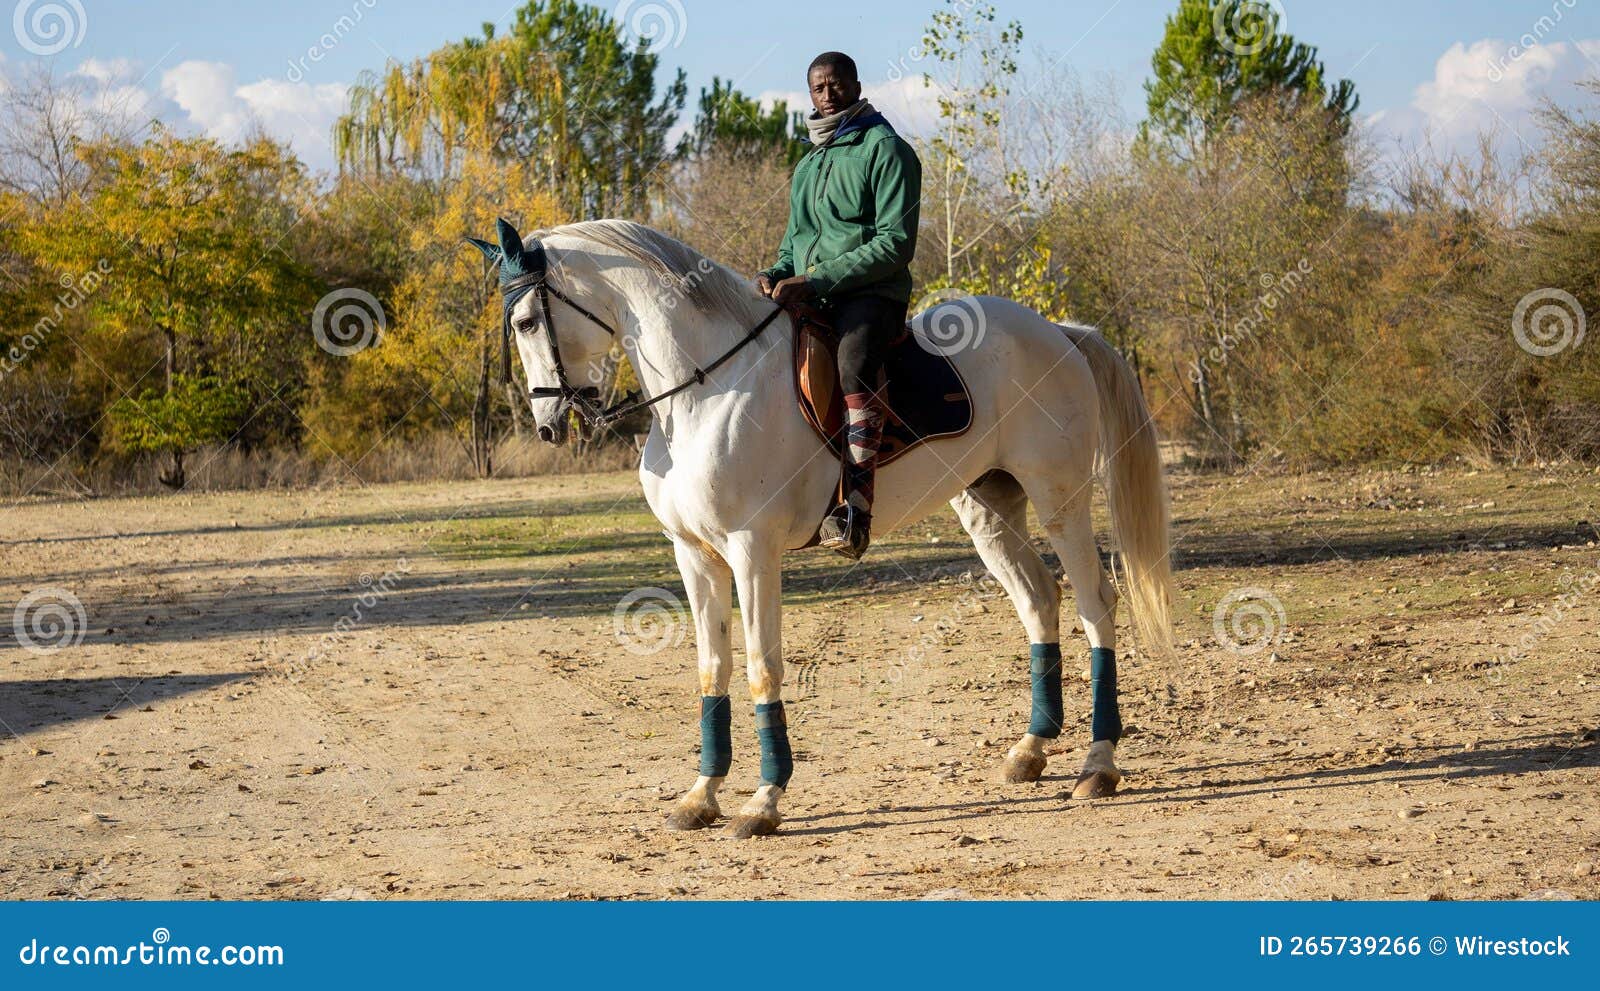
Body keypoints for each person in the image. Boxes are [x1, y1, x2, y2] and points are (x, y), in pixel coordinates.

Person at [757, 51, 923, 560]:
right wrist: (776, 273)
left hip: (872, 295)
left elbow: (895, 243)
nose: (827, 95)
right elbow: (794, 245)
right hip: (813, 292)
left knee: (853, 365)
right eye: (818, 88)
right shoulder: (809, 164)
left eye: (836, 85)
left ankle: (855, 509)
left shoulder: (887, 149)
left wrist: (816, 279)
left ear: (855, 84)